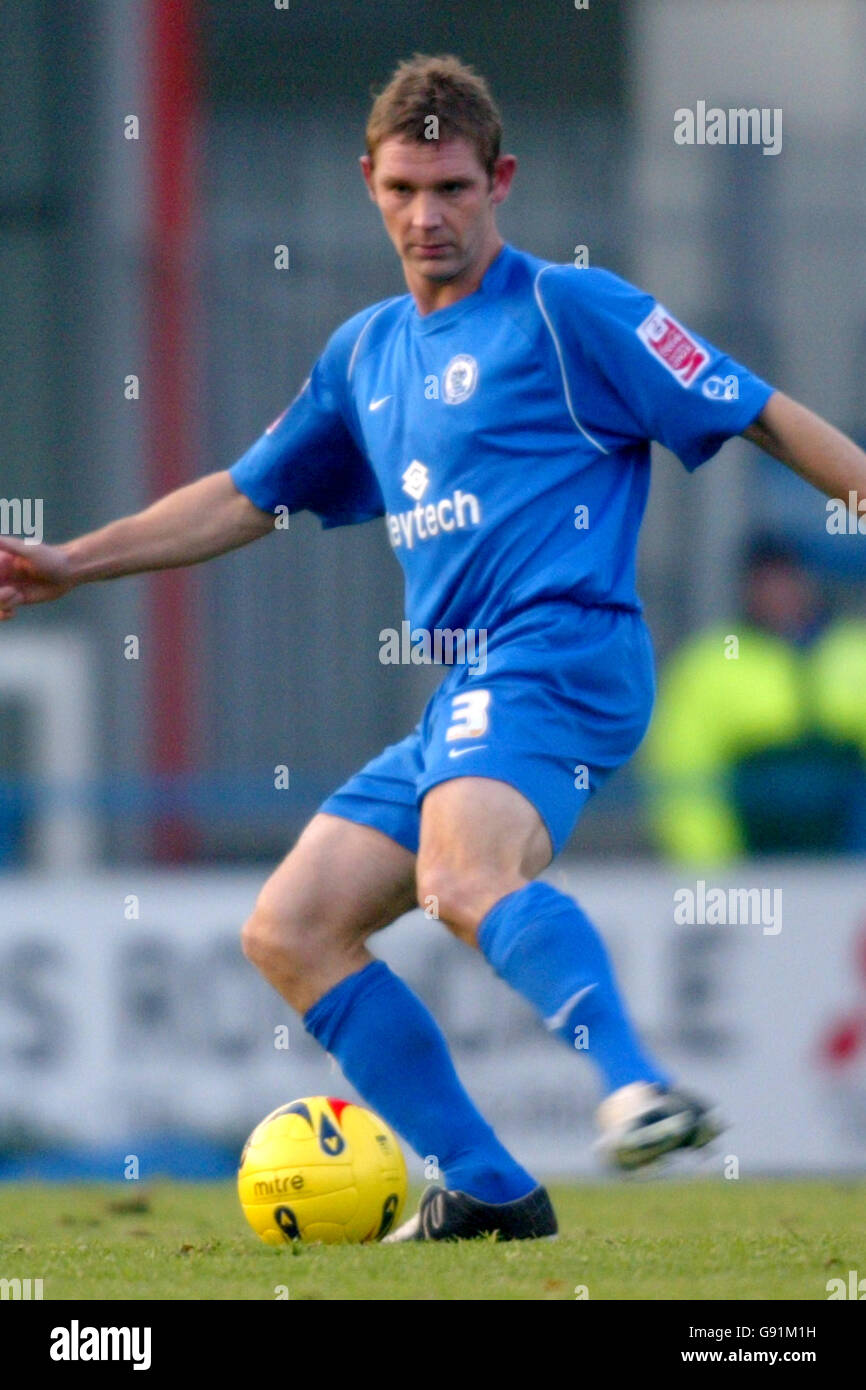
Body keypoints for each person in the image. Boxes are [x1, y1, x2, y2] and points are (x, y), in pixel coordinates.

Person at [2, 54, 866, 1242]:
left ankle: (634, 1086)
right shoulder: (363, 353)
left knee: (461, 880)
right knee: (290, 927)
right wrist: (70, 562)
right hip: (470, 686)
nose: (427, 214)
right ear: (369, 181)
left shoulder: (571, 310)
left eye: (453, 186)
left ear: (497, 181)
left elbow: (751, 403)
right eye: (405, 186)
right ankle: (490, 1189)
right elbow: (247, 497)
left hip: (562, 651)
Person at [644, 535, 866, 861]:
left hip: (850, 862)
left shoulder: (855, 651)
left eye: (787, 579)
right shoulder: (709, 667)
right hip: (753, 865)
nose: (779, 594)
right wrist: (717, 876)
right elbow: (683, 778)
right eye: (766, 583)